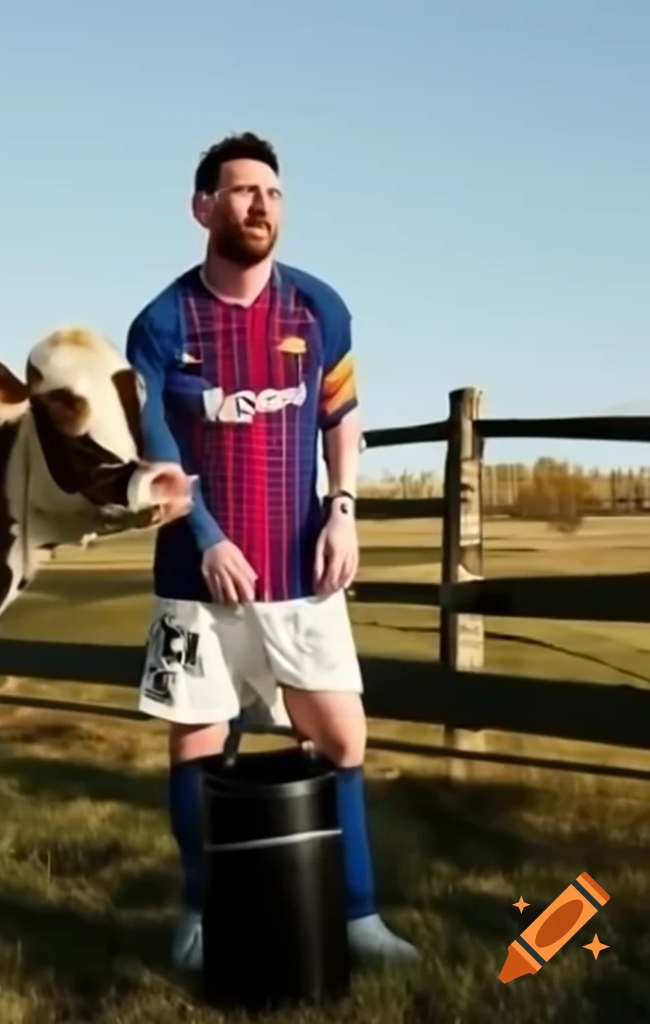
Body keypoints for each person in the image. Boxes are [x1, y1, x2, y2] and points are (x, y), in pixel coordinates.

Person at [125, 132, 418, 970]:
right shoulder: (159, 324)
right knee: (197, 742)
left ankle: (357, 917)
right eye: (243, 191)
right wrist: (207, 538)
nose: (261, 206)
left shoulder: (320, 309)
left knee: (343, 738)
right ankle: (199, 915)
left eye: (273, 193)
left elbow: (340, 417)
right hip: (194, 583)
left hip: (299, 574)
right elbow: (157, 453)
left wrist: (343, 511)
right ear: (203, 208)